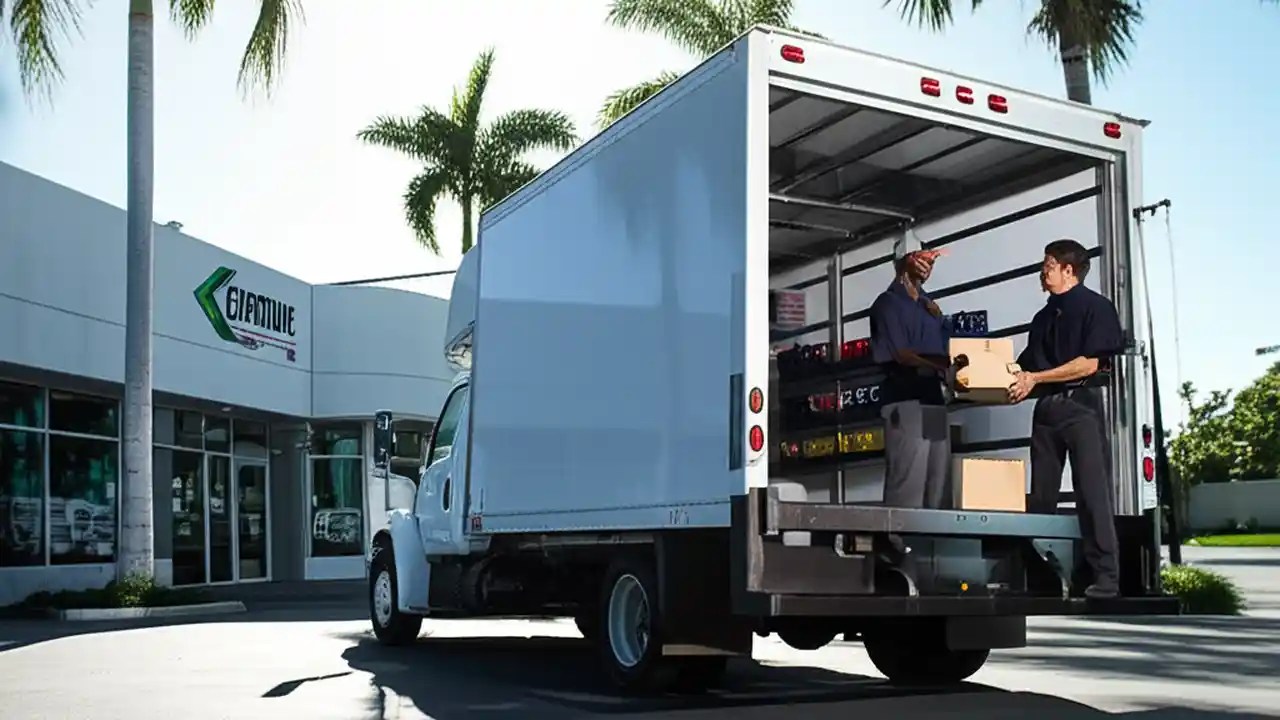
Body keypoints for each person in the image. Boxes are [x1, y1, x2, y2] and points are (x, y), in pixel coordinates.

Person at [1008, 238, 1125, 599]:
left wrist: (1036, 379)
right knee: (1041, 496)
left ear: (1068, 270)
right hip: (1046, 412)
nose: (1042, 273)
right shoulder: (1043, 318)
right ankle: (1043, 574)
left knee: (1092, 493)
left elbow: (1090, 364)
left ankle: (1106, 577)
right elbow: (1024, 365)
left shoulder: (1097, 308)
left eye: (1047, 266)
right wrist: (983, 374)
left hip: (1081, 407)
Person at [870, 246, 951, 509]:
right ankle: (896, 541)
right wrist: (939, 367)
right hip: (905, 398)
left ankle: (929, 545)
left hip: (933, 400)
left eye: (931, 261)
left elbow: (944, 347)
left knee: (937, 479)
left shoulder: (929, 306)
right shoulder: (887, 303)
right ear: (905, 262)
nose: (928, 266)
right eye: (922, 259)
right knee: (908, 479)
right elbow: (901, 354)